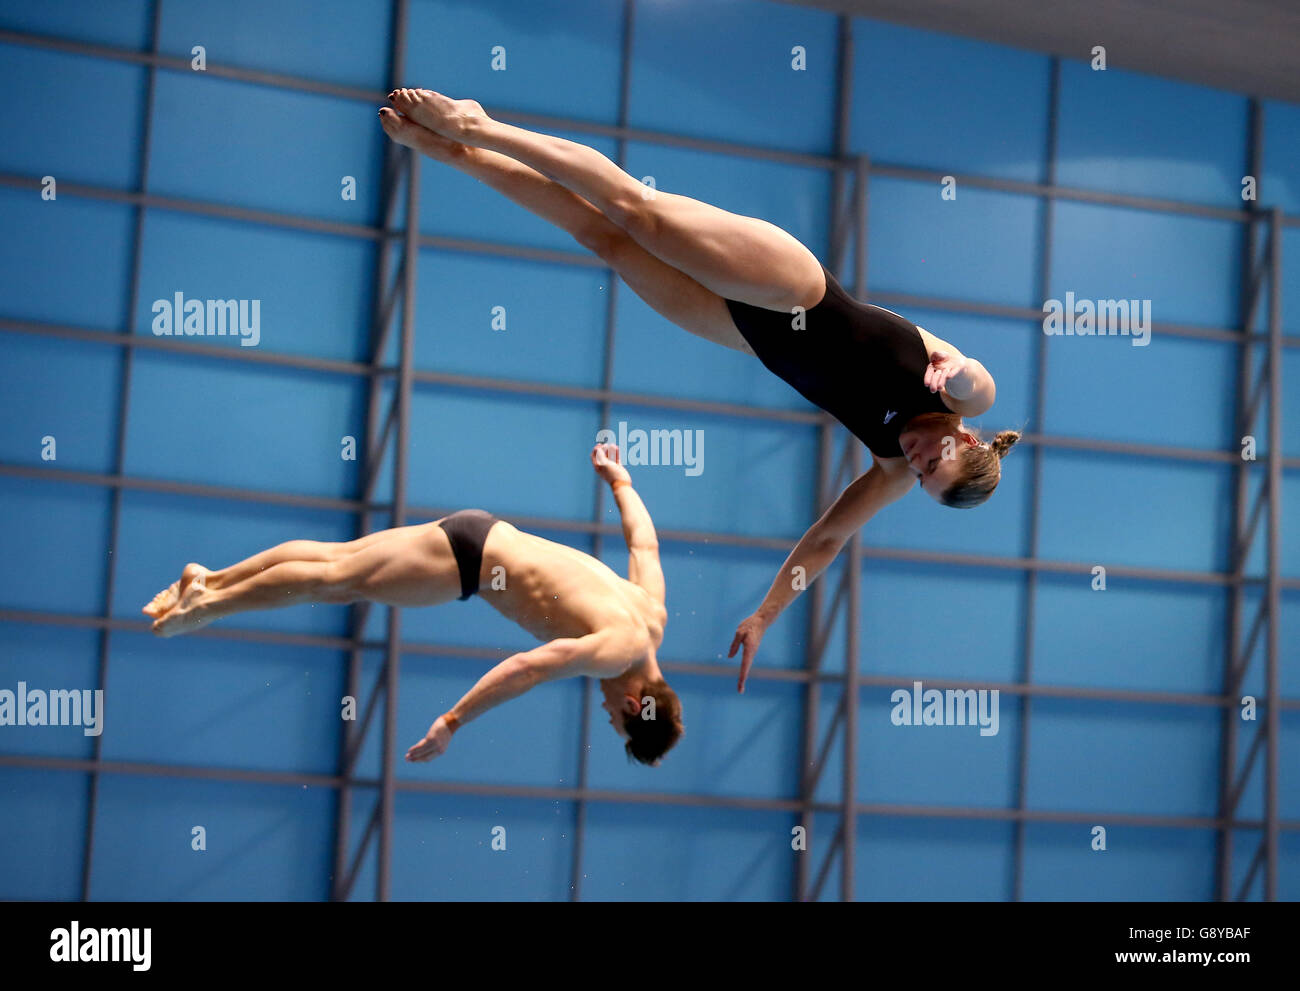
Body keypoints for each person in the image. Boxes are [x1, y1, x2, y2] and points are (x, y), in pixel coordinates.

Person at [376, 88, 1020, 691]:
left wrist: (766, 614)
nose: (914, 457)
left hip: (745, 332)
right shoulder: (963, 400)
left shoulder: (889, 470)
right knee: (639, 213)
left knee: (606, 240)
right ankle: (477, 124)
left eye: (921, 473)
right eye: (933, 458)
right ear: (963, 436)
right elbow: (978, 378)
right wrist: (954, 371)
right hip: (793, 289)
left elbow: (825, 539)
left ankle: (452, 153)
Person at [142, 444, 683, 765]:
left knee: (336, 563)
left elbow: (644, 544)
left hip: (484, 531)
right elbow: (526, 669)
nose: (606, 710)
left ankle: (210, 579)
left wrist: (621, 481)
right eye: (615, 718)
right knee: (334, 581)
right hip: (467, 564)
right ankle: (210, 605)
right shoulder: (617, 653)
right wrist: (453, 720)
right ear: (637, 705)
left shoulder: (651, 617)